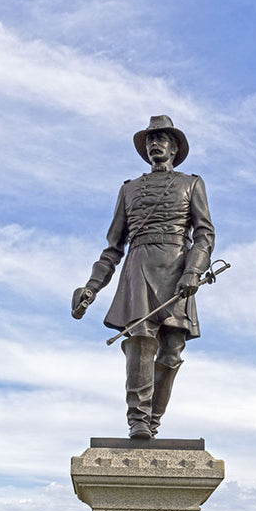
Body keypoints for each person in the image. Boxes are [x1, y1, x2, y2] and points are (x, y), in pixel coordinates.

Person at [72, 115, 215, 439]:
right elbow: (113, 247)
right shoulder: (129, 189)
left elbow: (204, 234)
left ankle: (153, 421)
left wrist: (193, 270)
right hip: (137, 269)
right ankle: (138, 420)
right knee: (140, 343)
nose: (155, 144)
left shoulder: (191, 184)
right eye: (150, 139)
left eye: (162, 138)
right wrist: (92, 288)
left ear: (174, 146)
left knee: (171, 352)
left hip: (177, 269)